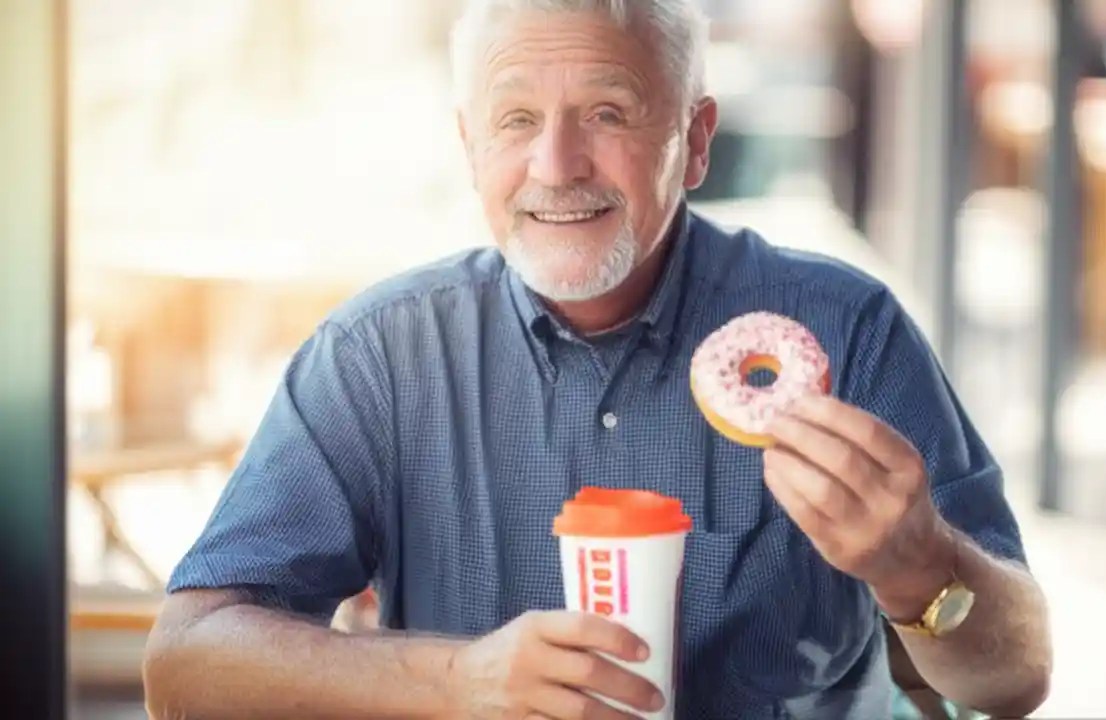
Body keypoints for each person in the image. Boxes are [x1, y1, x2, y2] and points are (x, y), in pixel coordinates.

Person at [141, 1, 1052, 718]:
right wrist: (456, 683)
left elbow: (1014, 679)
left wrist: (921, 567)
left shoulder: (847, 330)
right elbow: (184, 665)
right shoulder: (382, 358)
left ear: (695, 141)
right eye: (516, 119)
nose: (556, 162)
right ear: (470, 147)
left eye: (607, 112)